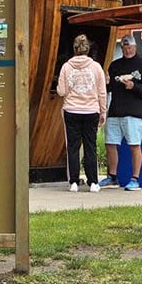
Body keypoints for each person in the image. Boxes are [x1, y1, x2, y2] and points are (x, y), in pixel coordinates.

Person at [99, 34, 142, 191]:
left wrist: (134, 87)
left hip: (134, 112)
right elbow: (109, 89)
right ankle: (112, 177)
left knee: (134, 145)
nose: (127, 49)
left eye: (130, 46)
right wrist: (107, 83)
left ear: (135, 47)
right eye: (125, 47)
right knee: (110, 144)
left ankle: (135, 178)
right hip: (115, 111)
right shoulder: (115, 65)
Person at [57, 34, 106, 192]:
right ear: (88, 49)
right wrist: (103, 111)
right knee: (90, 146)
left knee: (73, 146)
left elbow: (61, 91)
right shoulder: (96, 67)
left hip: (71, 109)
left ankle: (73, 182)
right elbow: (102, 92)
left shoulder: (66, 66)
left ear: (74, 48)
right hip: (91, 110)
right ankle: (93, 182)